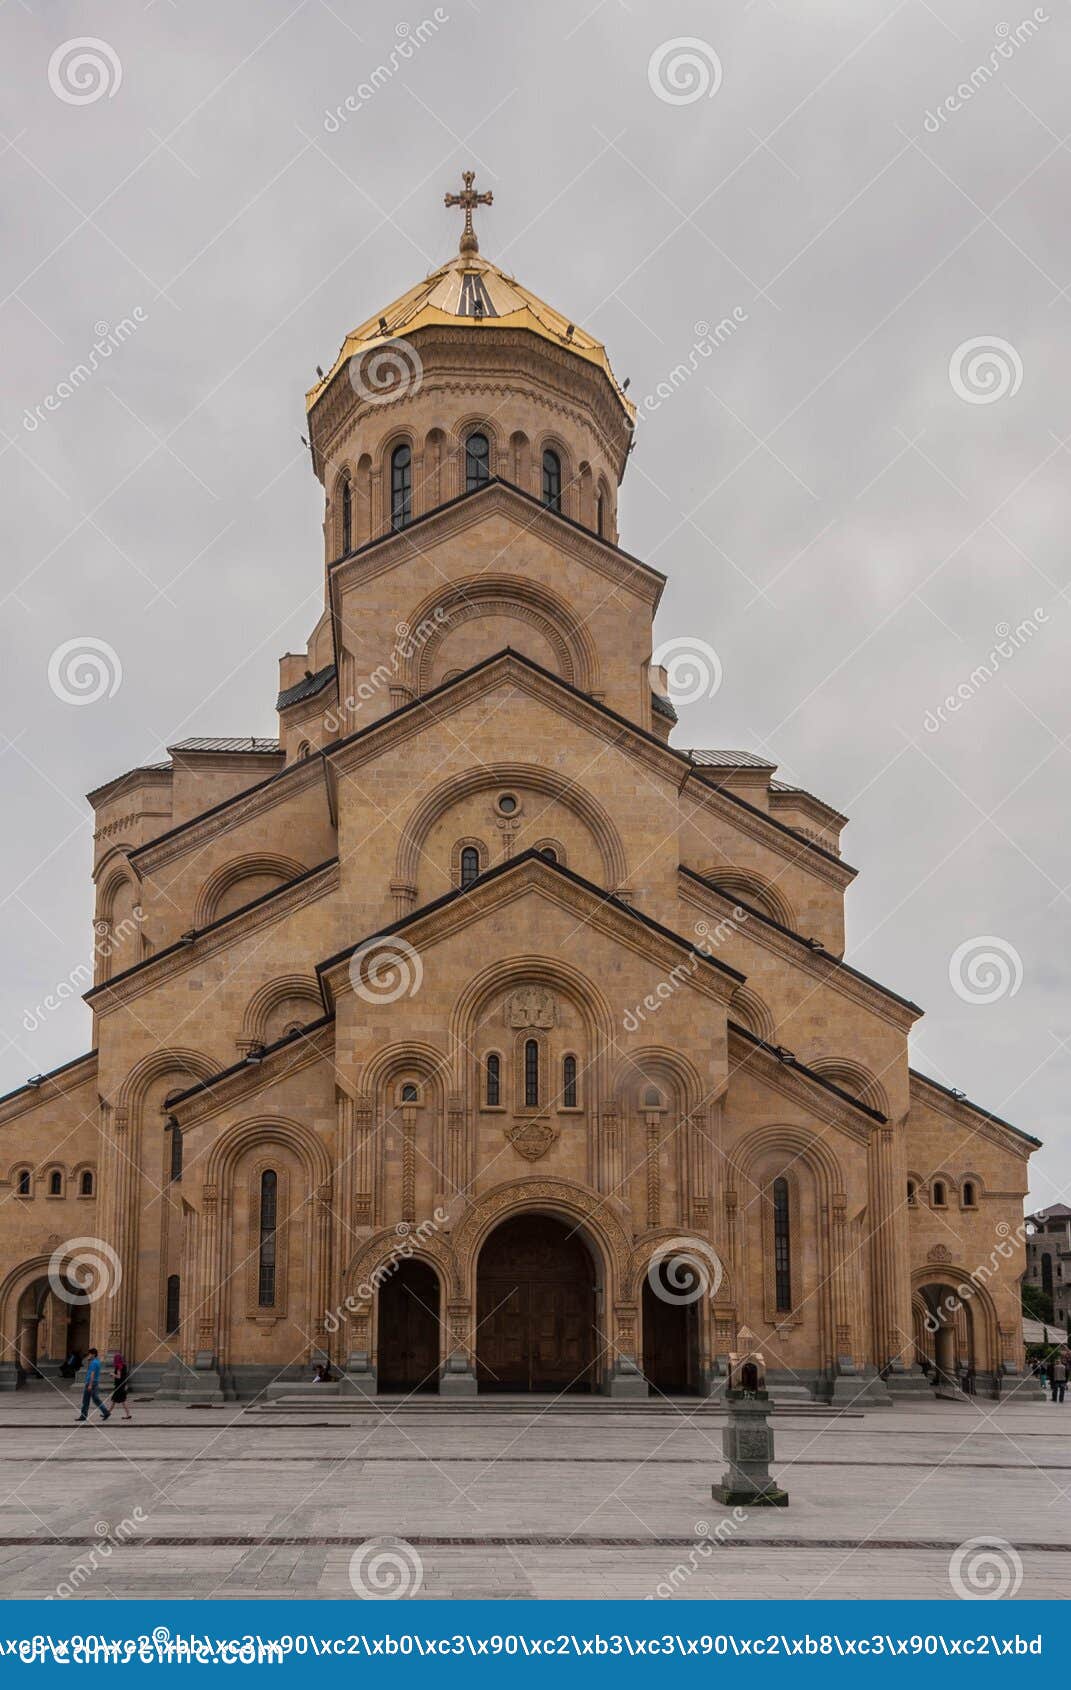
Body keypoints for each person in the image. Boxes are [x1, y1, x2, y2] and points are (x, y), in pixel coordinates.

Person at [77, 1349, 111, 1423]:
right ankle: (106, 1412)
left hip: (90, 1383)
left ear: (93, 1354)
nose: (89, 1355)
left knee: (85, 1400)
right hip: (94, 1383)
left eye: (90, 1354)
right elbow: (90, 1370)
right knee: (96, 1399)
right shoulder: (96, 1362)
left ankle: (83, 1415)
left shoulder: (94, 1363)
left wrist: (90, 1385)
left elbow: (92, 1374)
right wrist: (89, 1361)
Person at [111, 1353, 132, 1421]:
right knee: (116, 1400)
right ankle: (107, 1412)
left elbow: (119, 1376)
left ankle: (107, 1413)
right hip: (122, 1385)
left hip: (119, 1386)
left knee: (118, 1400)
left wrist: (112, 1374)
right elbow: (124, 1376)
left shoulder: (118, 1366)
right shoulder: (124, 1366)